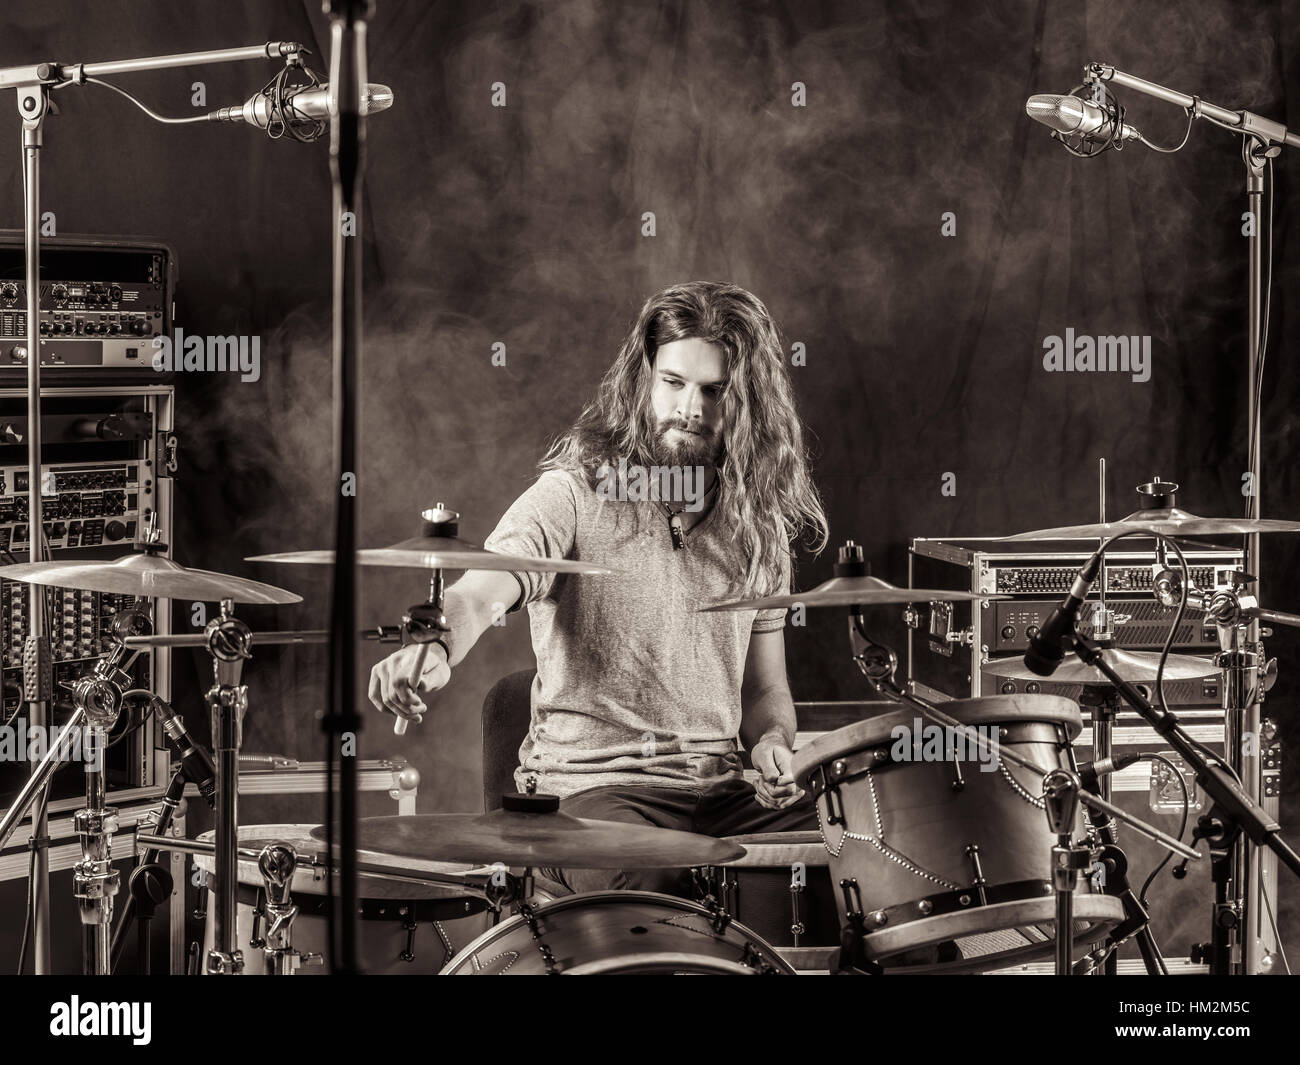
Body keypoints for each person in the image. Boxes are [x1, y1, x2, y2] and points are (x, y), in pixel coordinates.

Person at [369, 280, 829, 895]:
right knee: (660, 890)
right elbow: (484, 588)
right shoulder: (577, 493)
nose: (689, 409)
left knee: (854, 857)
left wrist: (773, 740)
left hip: (721, 792)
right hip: (591, 794)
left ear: (751, 403)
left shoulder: (756, 524)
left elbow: (764, 689)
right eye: (672, 382)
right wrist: (436, 648)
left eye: (713, 391)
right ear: (643, 379)